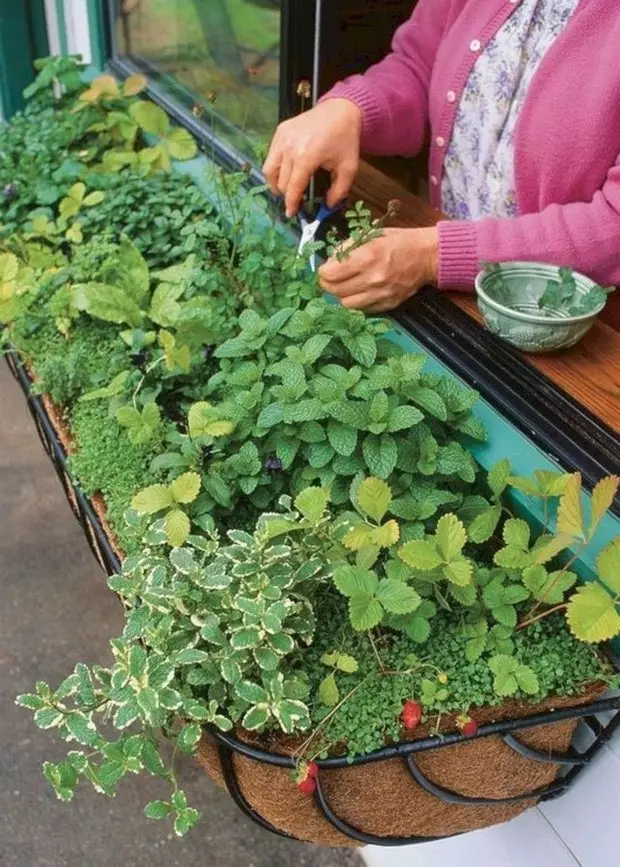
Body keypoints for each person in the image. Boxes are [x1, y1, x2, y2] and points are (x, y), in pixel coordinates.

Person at [263, 0, 620, 324]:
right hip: (445, 297)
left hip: (569, 338)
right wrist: (351, 110)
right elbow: (420, 66)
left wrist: (434, 256)